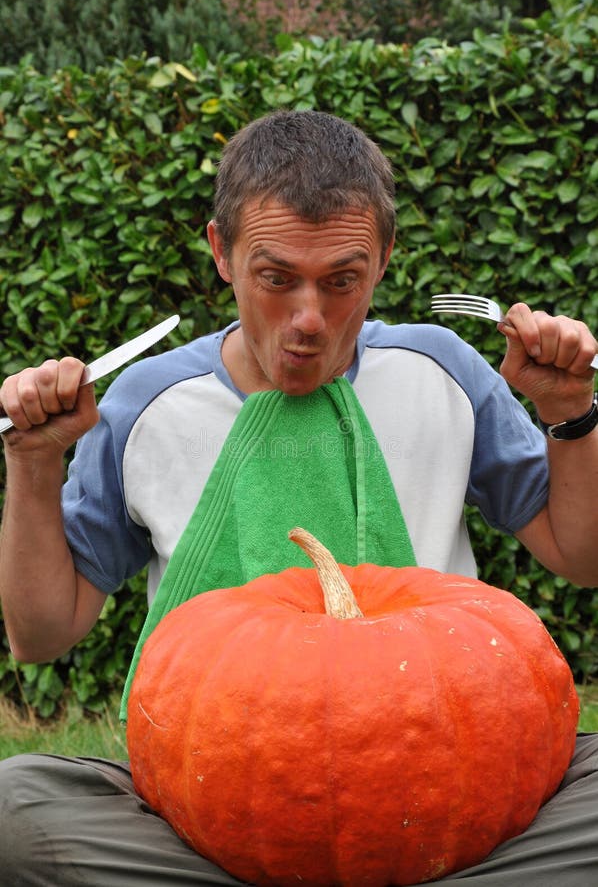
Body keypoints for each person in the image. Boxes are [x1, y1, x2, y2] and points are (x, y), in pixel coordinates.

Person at [0, 109, 597, 886]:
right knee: (13, 809)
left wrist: (570, 415)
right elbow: (41, 634)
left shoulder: (441, 370)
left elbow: (579, 556)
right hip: (218, 804)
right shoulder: (146, 403)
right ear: (222, 253)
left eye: (341, 281)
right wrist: (37, 466)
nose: (308, 322)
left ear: (383, 260)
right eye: (276, 278)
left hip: (444, 782)